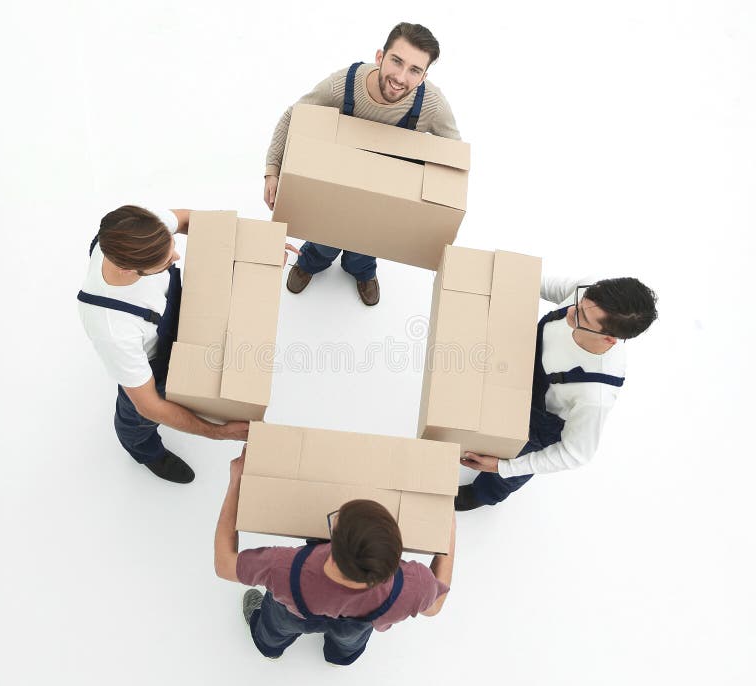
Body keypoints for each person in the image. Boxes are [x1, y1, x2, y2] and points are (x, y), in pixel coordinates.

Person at [263, 22, 461, 306]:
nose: (401, 77)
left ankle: (362, 271)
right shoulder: (343, 84)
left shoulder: (432, 105)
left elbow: (453, 156)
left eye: (414, 70)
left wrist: (439, 211)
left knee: (367, 243)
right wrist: (273, 170)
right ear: (380, 57)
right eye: (396, 61)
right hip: (336, 181)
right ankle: (311, 262)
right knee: (325, 235)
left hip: (383, 193)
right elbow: (292, 116)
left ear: (423, 76)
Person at [214, 447, 456, 665]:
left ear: (331, 548)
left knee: (274, 628)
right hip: (355, 627)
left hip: (291, 612)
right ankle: (338, 658)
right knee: (348, 644)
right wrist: (448, 526)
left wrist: (235, 483)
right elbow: (434, 607)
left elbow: (224, 564)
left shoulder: (281, 567)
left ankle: (271, 648)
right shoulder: (414, 586)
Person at [77, 206, 256, 484]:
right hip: (153, 366)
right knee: (136, 421)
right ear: (127, 270)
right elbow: (149, 406)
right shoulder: (113, 330)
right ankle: (145, 451)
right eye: (164, 262)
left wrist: (253, 248)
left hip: (172, 321)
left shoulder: (136, 228)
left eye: (171, 247)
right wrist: (217, 432)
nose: (176, 257)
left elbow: (184, 219)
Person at [455, 276, 658, 511]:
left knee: (507, 472)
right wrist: (503, 279)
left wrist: (503, 467)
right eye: (581, 301)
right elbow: (544, 285)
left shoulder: (595, 394)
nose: (572, 309)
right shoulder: (591, 296)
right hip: (519, 370)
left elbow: (575, 454)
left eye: (583, 317)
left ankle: (482, 494)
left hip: (540, 421)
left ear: (609, 339)